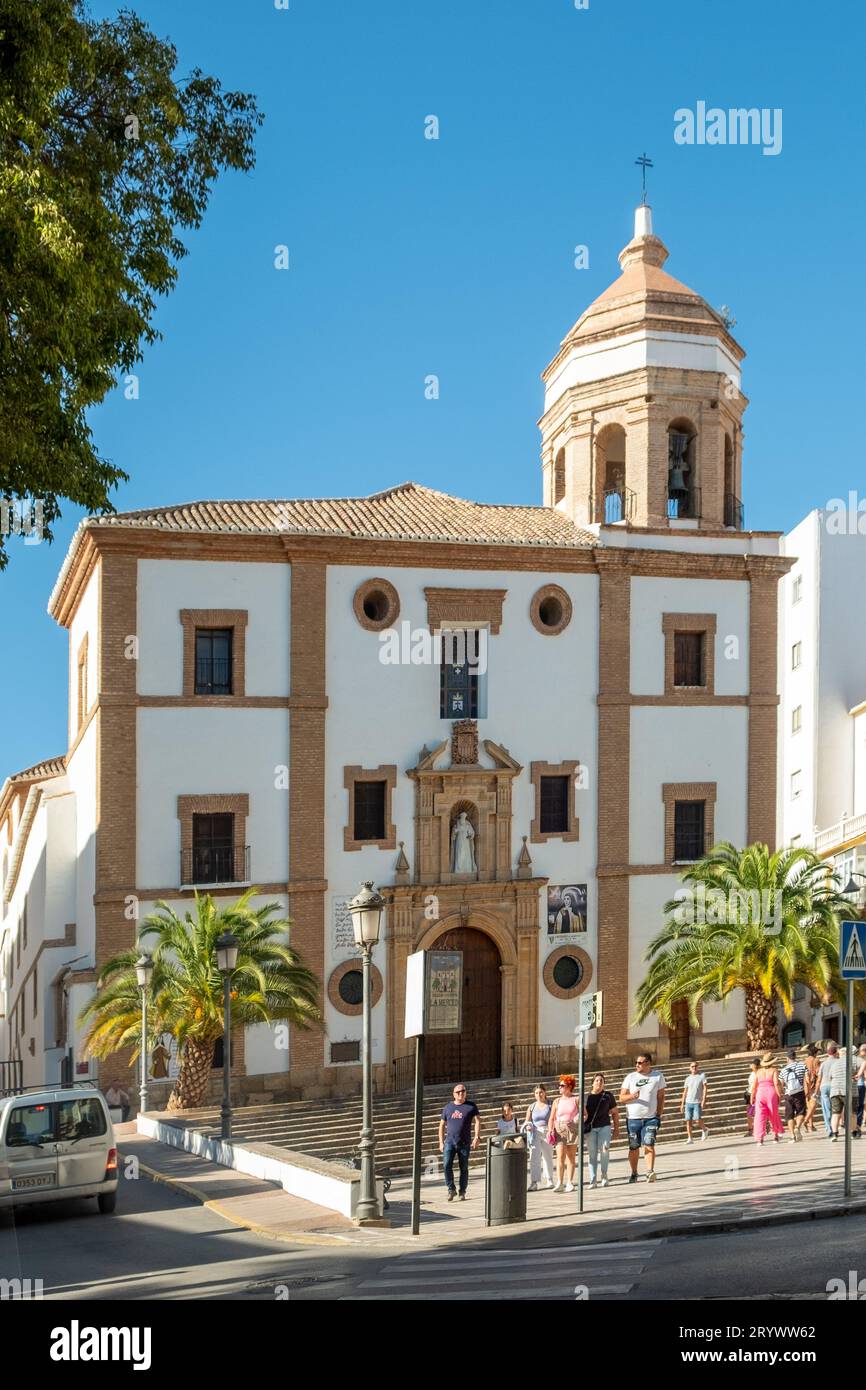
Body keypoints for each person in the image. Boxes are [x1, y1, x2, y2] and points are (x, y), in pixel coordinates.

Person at [619, 1052, 666, 1183]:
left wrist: (659, 1113)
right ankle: (634, 1172)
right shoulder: (630, 1077)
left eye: (640, 1063)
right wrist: (631, 1096)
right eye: (636, 1062)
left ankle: (650, 1171)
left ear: (648, 1063)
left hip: (650, 1118)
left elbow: (661, 1096)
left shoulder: (658, 1076)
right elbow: (621, 1098)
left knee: (649, 1143)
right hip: (633, 1119)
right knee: (634, 1147)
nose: (637, 1065)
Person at [438, 1083, 480, 1201]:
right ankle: (451, 1189)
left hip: (464, 1143)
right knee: (446, 1166)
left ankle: (462, 1191)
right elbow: (441, 1125)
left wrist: (477, 1137)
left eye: (463, 1091)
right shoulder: (448, 1108)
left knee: (464, 1168)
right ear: (454, 1094)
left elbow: (478, 1121)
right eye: (458, 1092)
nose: (461, 1093)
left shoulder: (471, 1106)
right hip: (449, 1142)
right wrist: (441, 1142)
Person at [584, 1072, 619, 1187]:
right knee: (592, 1154)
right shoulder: (586, 1097)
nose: (599, 1082)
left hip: (604, 1126)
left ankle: (604, 1175)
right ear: (592, 1083)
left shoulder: (608, 1096)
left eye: (601, 1081)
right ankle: (593, 1179)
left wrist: (616, 1128)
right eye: (597, 1080)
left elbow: (615, 1112)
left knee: (604, 1150)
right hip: (591, 1129)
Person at [549, 1075, 580, 1192]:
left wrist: (577, 1118)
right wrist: (550, 1129)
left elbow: (585, 1114)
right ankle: (559, 1182)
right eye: (559, 1085)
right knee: (560, 1156)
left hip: (572, 1128)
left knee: (571, 1157)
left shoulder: (576, 1099)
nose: (560, 1087)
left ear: (569, 1086)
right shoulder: (557, 1101)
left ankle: (569, 1182)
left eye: (562, 1085)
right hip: (559, 1129)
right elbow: (551, 1118)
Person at [524, 1084, 555, 1191]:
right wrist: (528, 1126)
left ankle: (549, 1179)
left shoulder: (551, 1104)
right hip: (535, 1132)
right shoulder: (531, 1106)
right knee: (534, 1158)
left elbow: (554, 1118)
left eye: (541, 1092)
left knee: (548, 1156)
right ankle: (534, 1182)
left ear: (545, 1092)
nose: (539, 1094)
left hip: (547, 1131)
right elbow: (527, 1121)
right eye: (536, 1093)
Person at [753, 1053, 784, 1144]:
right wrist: (779, 1095)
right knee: (773, 1114)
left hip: (760, 1093)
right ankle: (775, 1136)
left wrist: (752, 1097)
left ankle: (760, 1139)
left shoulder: (758, 1072)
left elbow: (754, 1086)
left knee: (760, 1116)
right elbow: (776, 1083)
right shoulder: (774, 1070)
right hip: (771, 1092)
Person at [779, 1048, 807, 1142]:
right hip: (799, 1092)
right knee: (801, 1112)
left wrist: (782, 1093)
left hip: (788, 1094)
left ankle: (792, 1136)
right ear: (795, 1056)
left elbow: (781, 1084)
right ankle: (798, 1127)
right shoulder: (802, 1065)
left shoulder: (783, 1070)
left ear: (787, 1058)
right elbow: (807, 1079)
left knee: (789, 1116)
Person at [680, 1061, 708, 1142]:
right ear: (690, 1068)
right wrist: (682, 1103)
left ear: (698, 1067)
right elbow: (685, 1091)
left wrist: (703, 1100)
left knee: (697, 1119)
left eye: (695, 1066)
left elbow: (705, 1088)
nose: (694, 1068)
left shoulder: (702, 1076)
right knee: (688, 1120)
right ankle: (690, 1138)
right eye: (692, 1066)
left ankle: (705, 1129)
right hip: (688, 1102)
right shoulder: (688, 1078)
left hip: (697, 1101)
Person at [827, 1048, 849, 1142]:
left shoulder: (834, 1064)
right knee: (850, 1112)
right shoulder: (849, 1063)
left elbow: (830, 1077)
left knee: (835, 1113)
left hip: (834, 1090)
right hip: (845, 1089)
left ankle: (834, 1134)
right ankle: (853, 1131)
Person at [818, 1043, 839, 1134]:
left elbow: (819, 1078)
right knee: (835, 1107)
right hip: (835, 1086)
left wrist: (816, 1090)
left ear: (827, 1053)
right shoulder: (838, 1062)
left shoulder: (823, 1064)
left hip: (824, 1086)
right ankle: (834, 1127)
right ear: (836, 1053)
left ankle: (829, 1128)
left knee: (826, 1108)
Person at [803, 1043, 821, 1133]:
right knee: (813, 1105)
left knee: (809, 1105)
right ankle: (806, 1121)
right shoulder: (816, 1060)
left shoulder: (805, 1060)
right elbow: (818, 1072)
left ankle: (811, 1125)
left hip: (805, 1085)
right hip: (813, 1085)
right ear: (815, 1053)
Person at [744, 1057, 760, 1136]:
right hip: (748, 1093)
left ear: (755, 1065)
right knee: (749, 1113)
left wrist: (753, 1097)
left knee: (755, 1112)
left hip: (754, 1094)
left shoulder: (758, 1074)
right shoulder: (752, 1073)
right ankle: (750, 1129)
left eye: (752, 1064)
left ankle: (757, 1128)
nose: (751, 1065)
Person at [853, 1045, 866, 1138]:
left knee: (852, 1107)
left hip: (851, 1085)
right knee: (860, 1106)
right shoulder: (862, 1061)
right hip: (860, 1085)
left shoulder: (850, 1061)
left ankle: (853, 1128)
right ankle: (857, 1126)